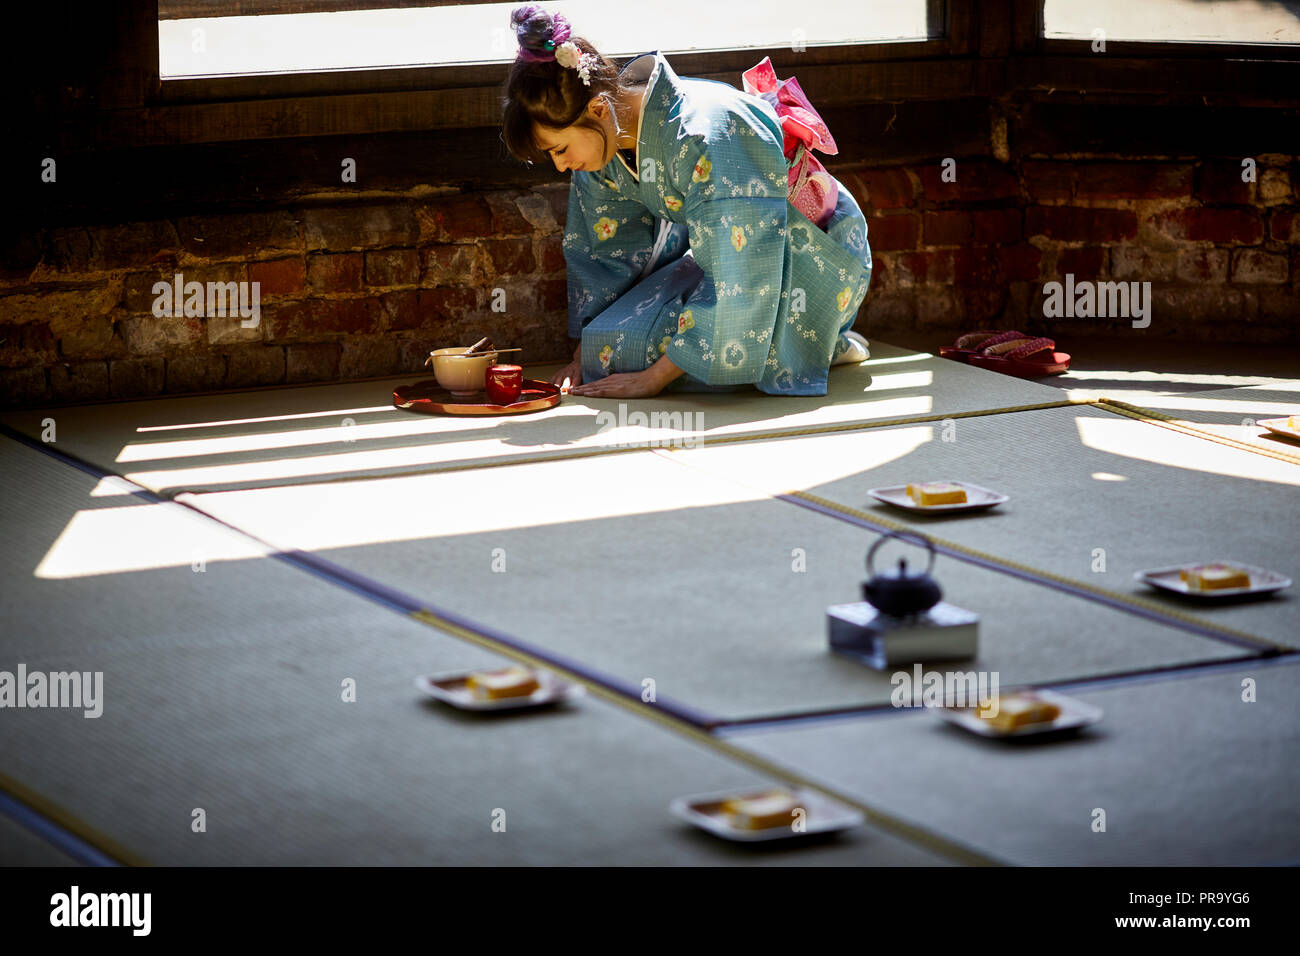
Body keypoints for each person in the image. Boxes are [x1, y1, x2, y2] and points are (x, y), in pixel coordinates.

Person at [501, 4, 872, 399]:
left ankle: (827, 337)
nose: (561, 166)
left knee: (679, 355)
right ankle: (777, 346)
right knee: (614, 349)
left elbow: (743, 269)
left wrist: (653, 380)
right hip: (731, 253)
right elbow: (605, 252)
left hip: (810, 251)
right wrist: (585, 354)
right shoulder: (601, 143)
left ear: (597, 108)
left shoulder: (706, 133)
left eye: (559, 149)